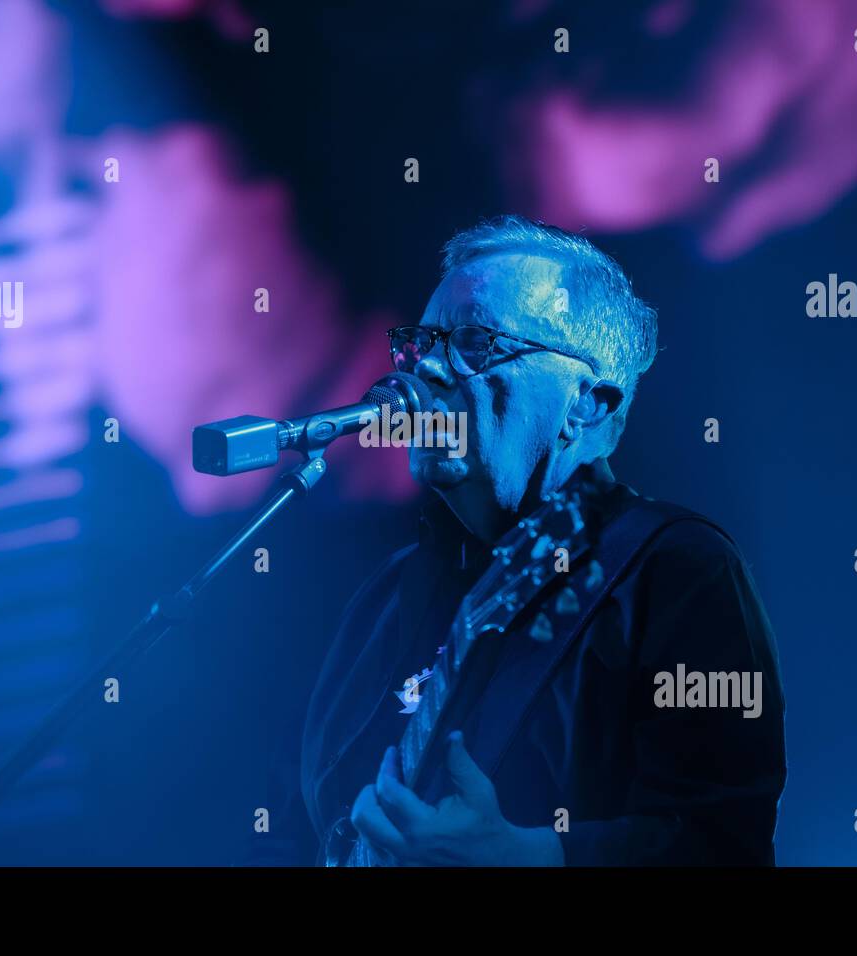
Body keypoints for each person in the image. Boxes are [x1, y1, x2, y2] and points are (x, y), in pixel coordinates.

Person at [253, 215, 786, 866]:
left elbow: (723, 847)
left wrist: (529, 858)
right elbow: (288, 829)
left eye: (473, 342)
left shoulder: (678, 571)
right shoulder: (384, 599)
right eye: (421, 344)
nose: (427, 371)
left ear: (585, 406)